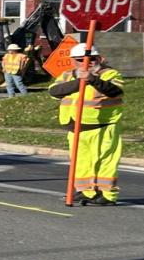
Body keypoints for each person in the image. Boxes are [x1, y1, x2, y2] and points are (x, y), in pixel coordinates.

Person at [48, 43, 127, 206]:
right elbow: (54, 92)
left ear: (98, 59)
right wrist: (80, 81)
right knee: (80, 162)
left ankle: (107, 195)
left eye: (91, 59)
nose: (86, 62)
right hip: (75, 127)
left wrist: (92, 80)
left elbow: (115, 91)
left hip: (102, 126)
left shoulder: (110, 74)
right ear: (73, 61)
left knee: (105, 162)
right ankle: (86, 191)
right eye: (80, 60)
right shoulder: (67, 75)